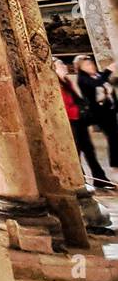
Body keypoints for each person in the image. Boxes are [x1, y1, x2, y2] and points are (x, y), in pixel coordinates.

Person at [55, 59, 115, 190]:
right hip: (70, 121)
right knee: (74, 152)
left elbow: (76, 99)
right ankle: (79, 181)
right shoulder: (55, 85)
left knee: (89, 150)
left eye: (64, 65)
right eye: (61, 66)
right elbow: (62, 105)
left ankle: (100, 179)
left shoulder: (66, 81)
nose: (65, 67)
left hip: (78, 119)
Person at [73, 55, 118, 171]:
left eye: (91, 63)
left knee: (114, 136)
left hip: (110, 109)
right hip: (99, 113)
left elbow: (108, 88)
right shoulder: (82, 79)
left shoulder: (97, 75)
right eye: (87, 65)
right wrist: (108, 71)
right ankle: (115, 164)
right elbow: (96, 84)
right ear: (80, 68)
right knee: (113, 136)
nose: (91, 66)